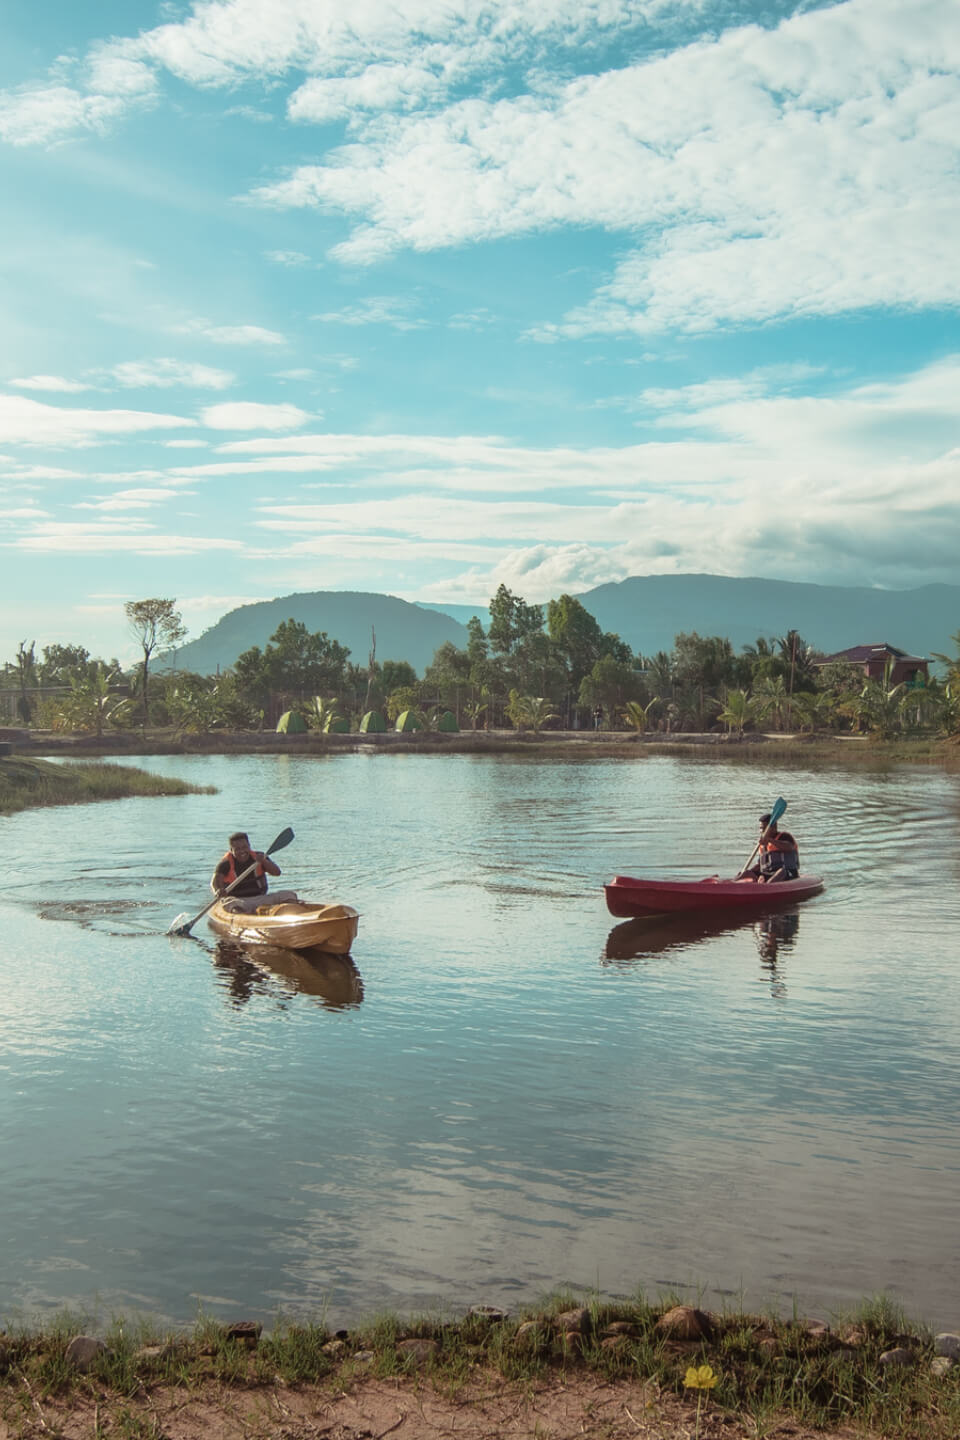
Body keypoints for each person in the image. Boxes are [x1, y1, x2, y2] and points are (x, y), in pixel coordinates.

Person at [211, 831, 298, 912]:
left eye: (244, 847)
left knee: (288, 895)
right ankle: (243, 917)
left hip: (261, 898)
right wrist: (218, 891)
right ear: (231, 850)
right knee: (230, 903)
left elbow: (277, 873)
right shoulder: (225, 864)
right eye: (237, 849)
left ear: (249, 846)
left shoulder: (260, 857)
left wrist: (264, 861)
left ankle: (292, 913)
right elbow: (215, 882)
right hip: (239, 901)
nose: (242, 851)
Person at [746, 813, 800, 882]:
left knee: (781, 871)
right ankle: (736, 883)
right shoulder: (762, 844)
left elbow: (789, 847)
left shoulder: (784, 836)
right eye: (760, 828)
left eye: (764, 828)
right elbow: (760, 865)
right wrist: (750, 872)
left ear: (774, 828)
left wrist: (770, 840)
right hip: (768, 874)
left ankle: (767, 886)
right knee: (747, 873)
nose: (761, 831)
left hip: (788, 873)